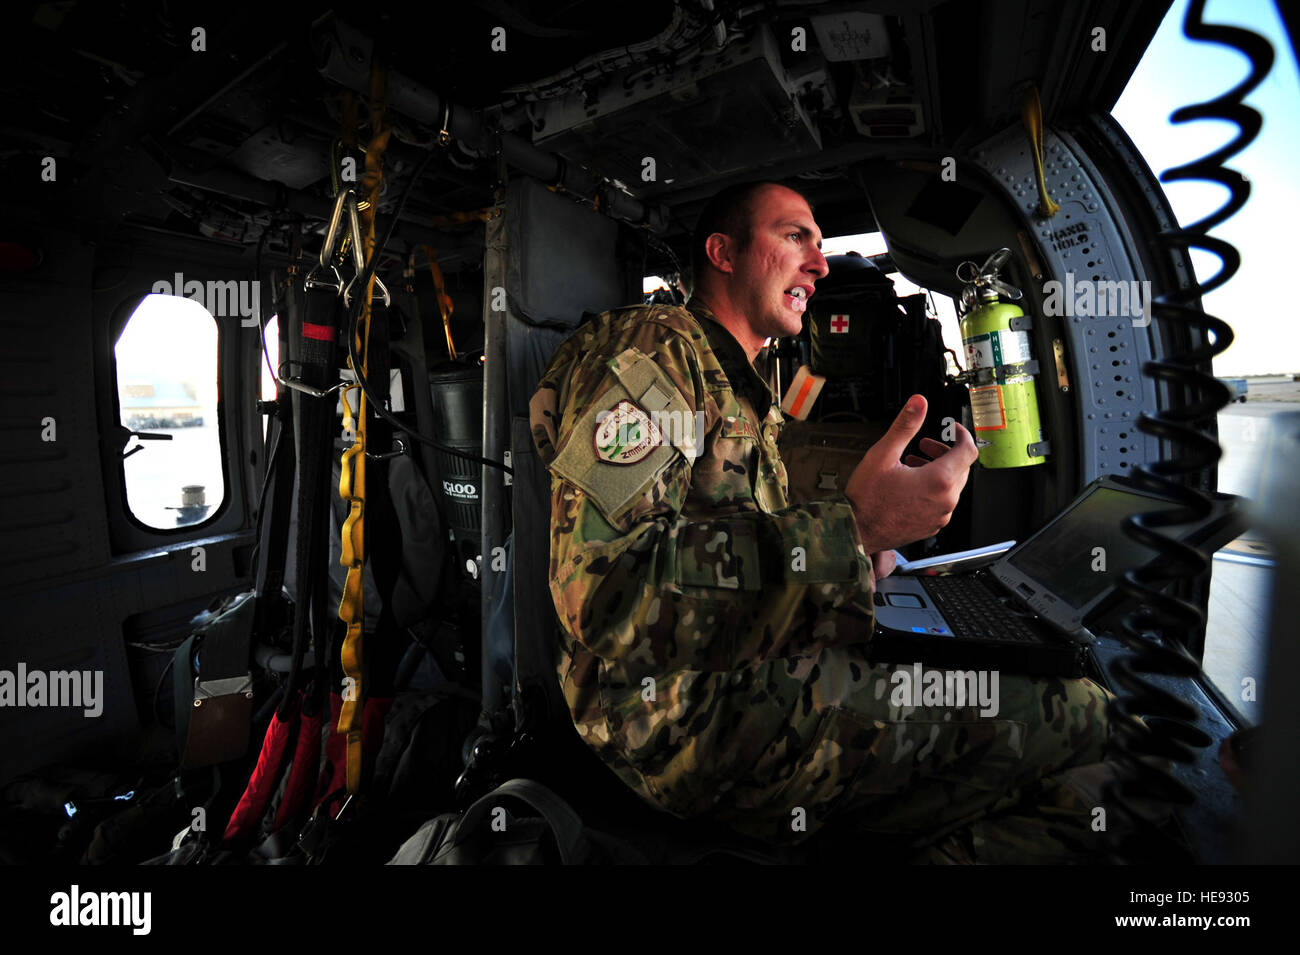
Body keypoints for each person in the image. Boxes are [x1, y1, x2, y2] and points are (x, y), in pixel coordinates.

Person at [528, 180, 1114, 859]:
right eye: (794, 236)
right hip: (682, 719)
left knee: (1043, 682)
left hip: (741, 671)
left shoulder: (734, 383)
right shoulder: (653, 352)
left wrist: (860, 553)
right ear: (722, 252)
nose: (821, 264)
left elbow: (728, 537)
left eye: (821, 244)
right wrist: (855, 527)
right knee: (1081, 715)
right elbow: (603, 591)